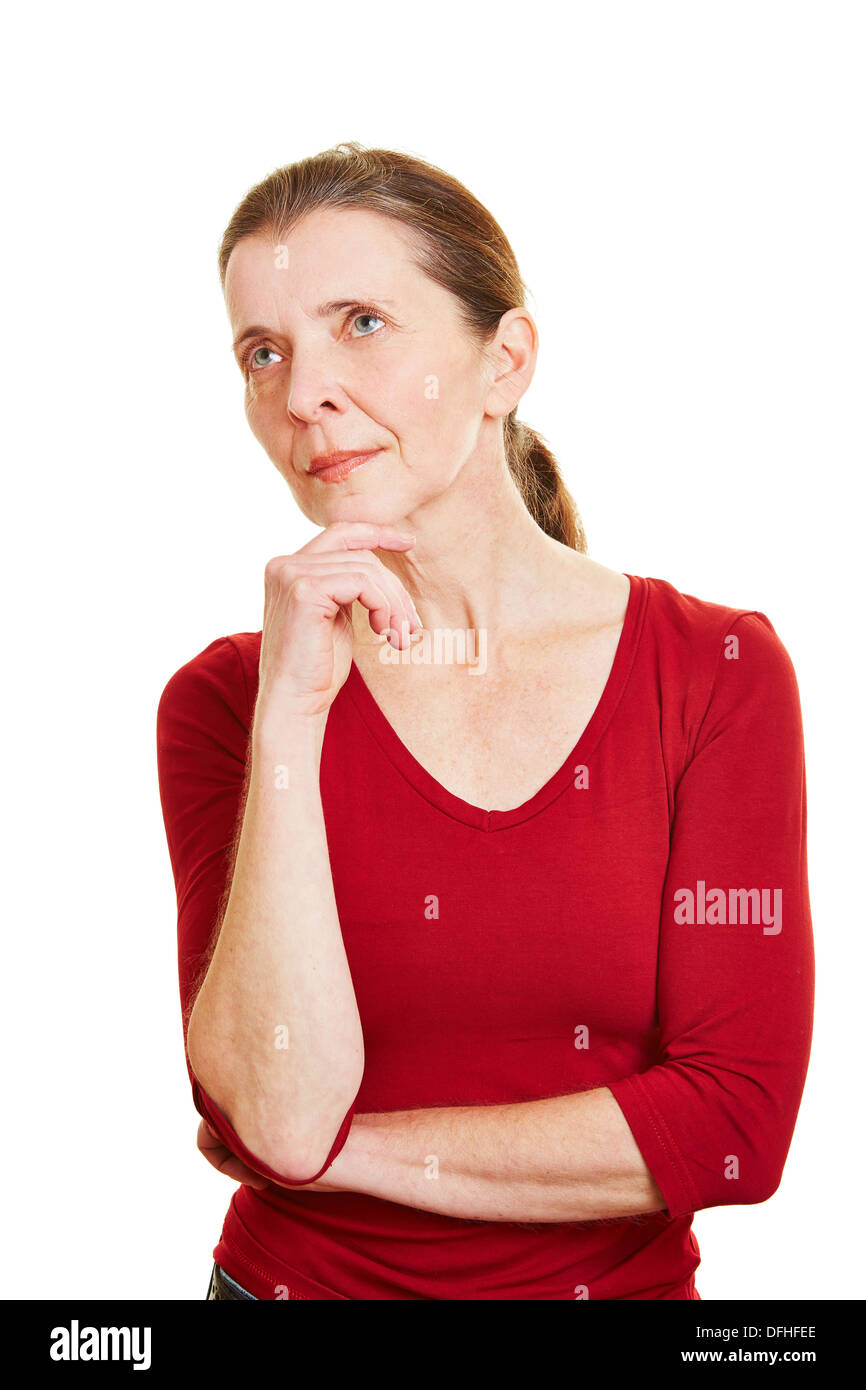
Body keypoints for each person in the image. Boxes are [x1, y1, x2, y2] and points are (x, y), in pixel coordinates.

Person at [156, 142, 814, 1301]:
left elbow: (730, 1127)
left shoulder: (713, 672)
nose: (300, 393)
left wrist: (339, 1157)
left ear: (502, 361)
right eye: (264, 351)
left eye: (361, 323)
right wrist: (291, 719)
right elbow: (274, 1106)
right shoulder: (226, 702)